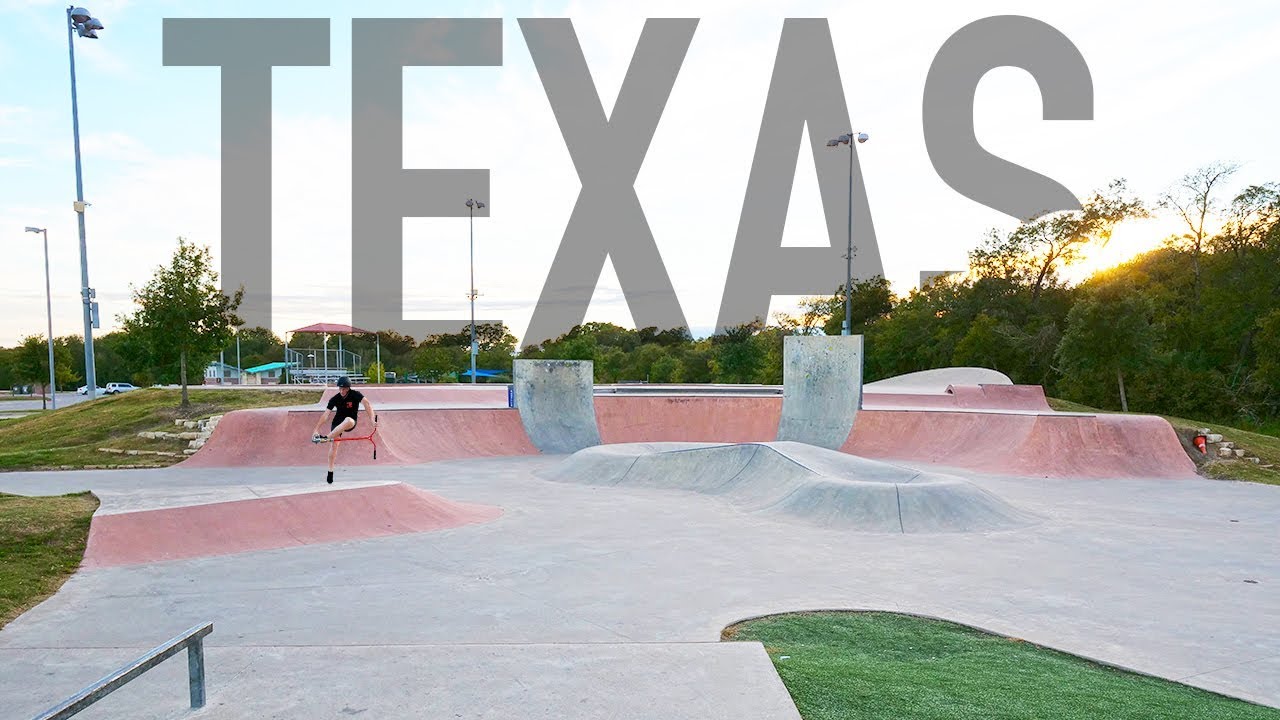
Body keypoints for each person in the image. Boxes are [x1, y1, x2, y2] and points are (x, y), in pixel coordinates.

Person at [312, 376, 375, 484]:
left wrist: (372, 420)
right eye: (340, 389)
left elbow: (367, 403)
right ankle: (330, 472)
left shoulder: (355, 394)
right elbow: (326, 415)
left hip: (350, 422)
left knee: (348, 420)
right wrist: (316, 430)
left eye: (344, 389)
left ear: (348, 388)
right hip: (337, 423)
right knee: (334, 446)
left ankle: (326, 438)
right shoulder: (335, 399)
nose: (342, 391)